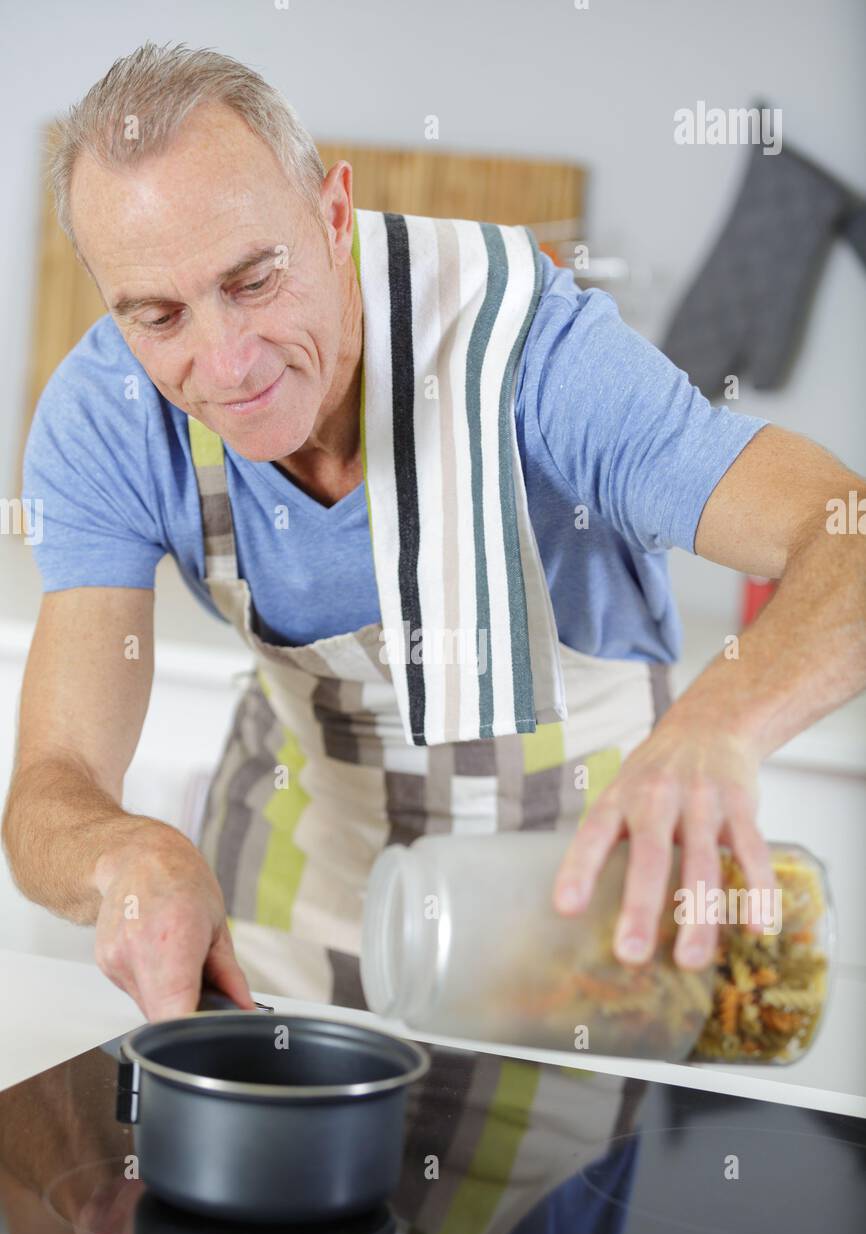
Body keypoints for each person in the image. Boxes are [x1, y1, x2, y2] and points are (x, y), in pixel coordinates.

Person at [3, 44, 864, 1022]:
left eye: (253, 280)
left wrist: (718, 724)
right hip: (288, 907)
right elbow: (52, 784)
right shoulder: (105, 411)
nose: (227, 361)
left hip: (572, 917)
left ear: (332, 219)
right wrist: (124, 853)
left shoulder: (531, 348)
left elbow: (847, 534)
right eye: (157, 314)